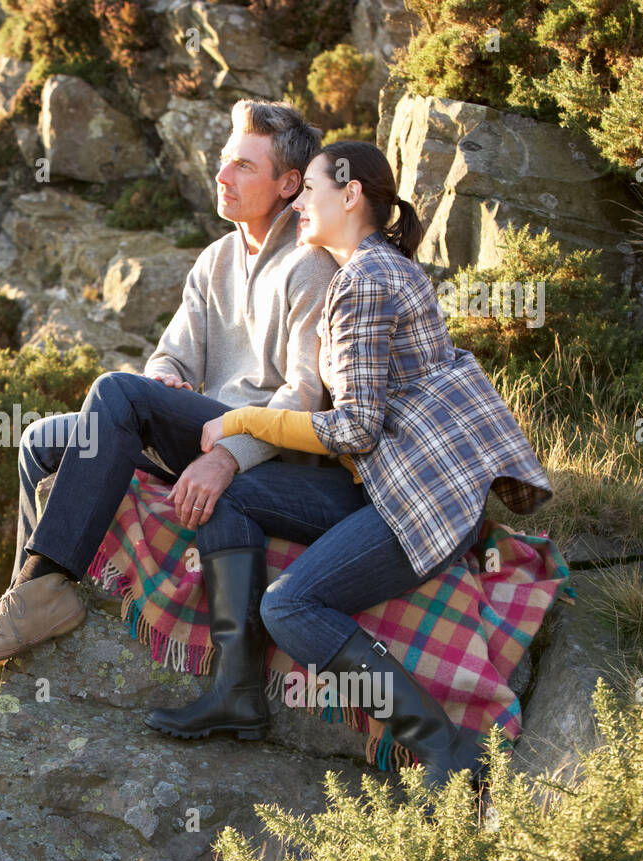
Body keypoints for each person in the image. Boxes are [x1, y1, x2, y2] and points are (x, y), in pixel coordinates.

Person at [0, 101, 339, 747]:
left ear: (289, 184)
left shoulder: (310, 265)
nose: (224, 176)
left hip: (268, 452)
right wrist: (164, 383)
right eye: (222, 162)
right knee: (42, 441)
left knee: (116, 395)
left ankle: (36, 596)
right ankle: (31, 595)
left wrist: (229, 456)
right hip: (197, 426)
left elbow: (306, 393)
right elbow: (171, 354)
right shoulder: (214, 260)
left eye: (244, 165)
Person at [185, 140, 553, 789]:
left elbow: (354, 429)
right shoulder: (379, 270)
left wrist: (241, 420)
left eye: (311, 191)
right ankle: (235, 689)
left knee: (290, 608)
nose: (297, 203)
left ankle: (443, 748)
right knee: (235, 491)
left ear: (350, 195)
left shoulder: (363, 282)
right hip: (391, 485)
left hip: (421, 502)